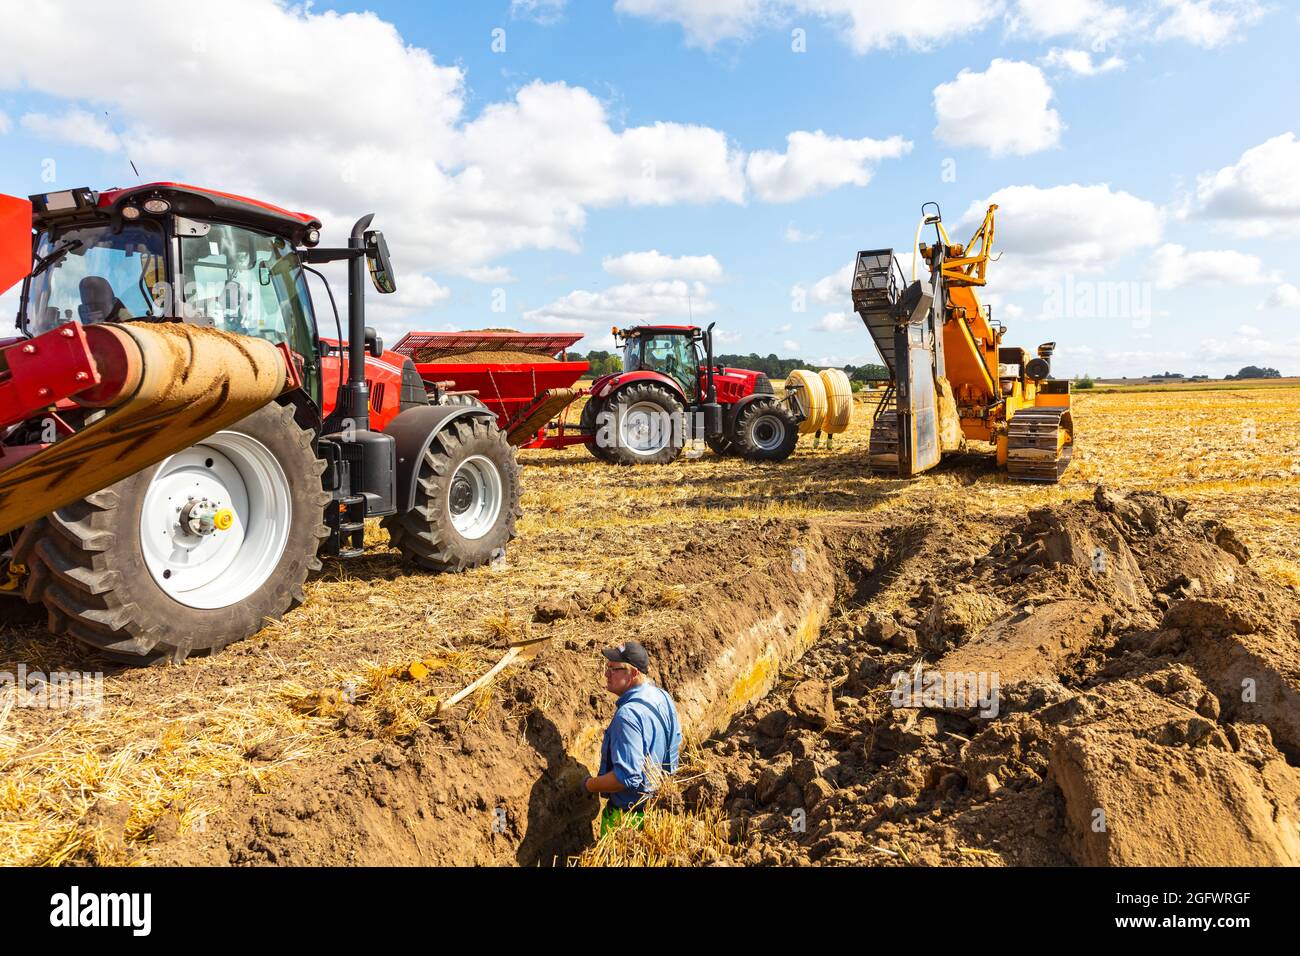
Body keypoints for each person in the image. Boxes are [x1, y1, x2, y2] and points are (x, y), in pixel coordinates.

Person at [583, 640, 682, 836]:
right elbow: (675, 745)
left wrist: (589, 785)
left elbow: (625, 777)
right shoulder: (662, 696)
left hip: (627, 821)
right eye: (607, 667)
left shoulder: (627, 716)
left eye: (614, 669)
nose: (606, 674)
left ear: (634, 673)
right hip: (657, 812)